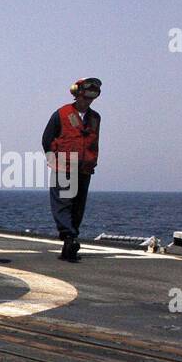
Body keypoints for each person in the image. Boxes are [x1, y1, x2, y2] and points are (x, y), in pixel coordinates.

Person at [43, 77, 101, 262]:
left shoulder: (94, 118)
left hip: (84, 169)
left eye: (92, 96)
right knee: (62, 204)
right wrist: (53, 159)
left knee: (77, 208)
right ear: (77, 94)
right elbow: (47, 139)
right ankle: (69, 236)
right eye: (86, 96)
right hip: (63, 166)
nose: (88, 100)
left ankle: (70, 242)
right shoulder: (61, 114)